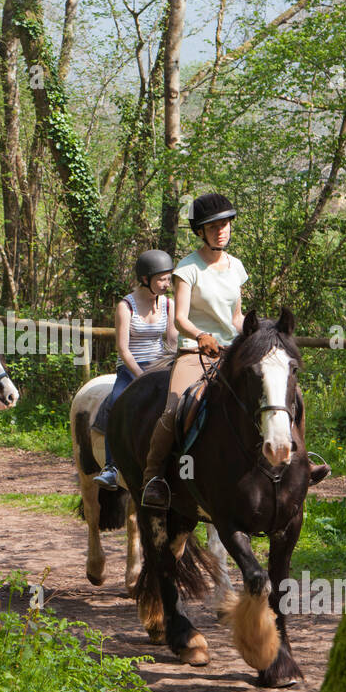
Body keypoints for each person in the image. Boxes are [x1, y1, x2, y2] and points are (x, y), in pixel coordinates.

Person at [140, 193, 247, 509]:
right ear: (201, 231)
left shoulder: (236, 267)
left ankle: (292, 463)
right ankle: (153, 478)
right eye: (213, 226)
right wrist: (201, 335)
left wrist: (255, 335)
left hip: (231, 350)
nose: (221, 231)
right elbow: (180, 318)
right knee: (174, 410)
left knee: (271, 393)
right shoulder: (188, 268)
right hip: (195, 351)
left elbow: (236, 317)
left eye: (225, 224)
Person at [92, 250, 177, 489]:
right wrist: (142, 377)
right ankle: (110, 467)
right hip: (132, 368)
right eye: (161, 279)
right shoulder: (125, 306)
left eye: (168, 278)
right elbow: (123, 349)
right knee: (115, 402)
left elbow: (171, 340)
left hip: (160, 364)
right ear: (145, 279)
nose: (166, 284)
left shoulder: (169, 304)